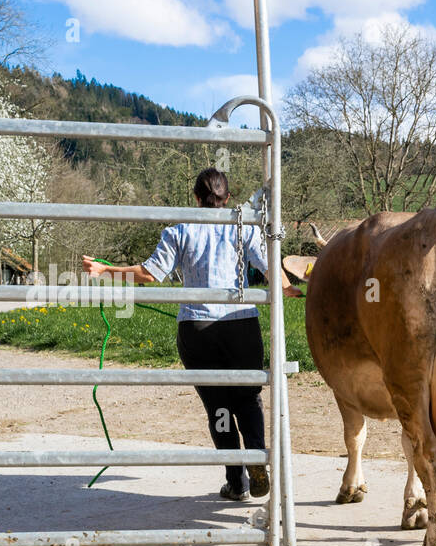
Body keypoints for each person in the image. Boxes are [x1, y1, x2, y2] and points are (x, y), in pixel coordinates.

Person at [83, 168, 300, 501]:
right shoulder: (243, 228)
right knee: (248, 398)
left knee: (219, 408)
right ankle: (257, 458)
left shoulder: (180, 229)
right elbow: (272, 270)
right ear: (227, 198)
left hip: (198, 329)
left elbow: (150, 274)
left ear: (196, 198)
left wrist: (105, 270)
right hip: (241, 325)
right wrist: (289, 288)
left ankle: (236, 480)